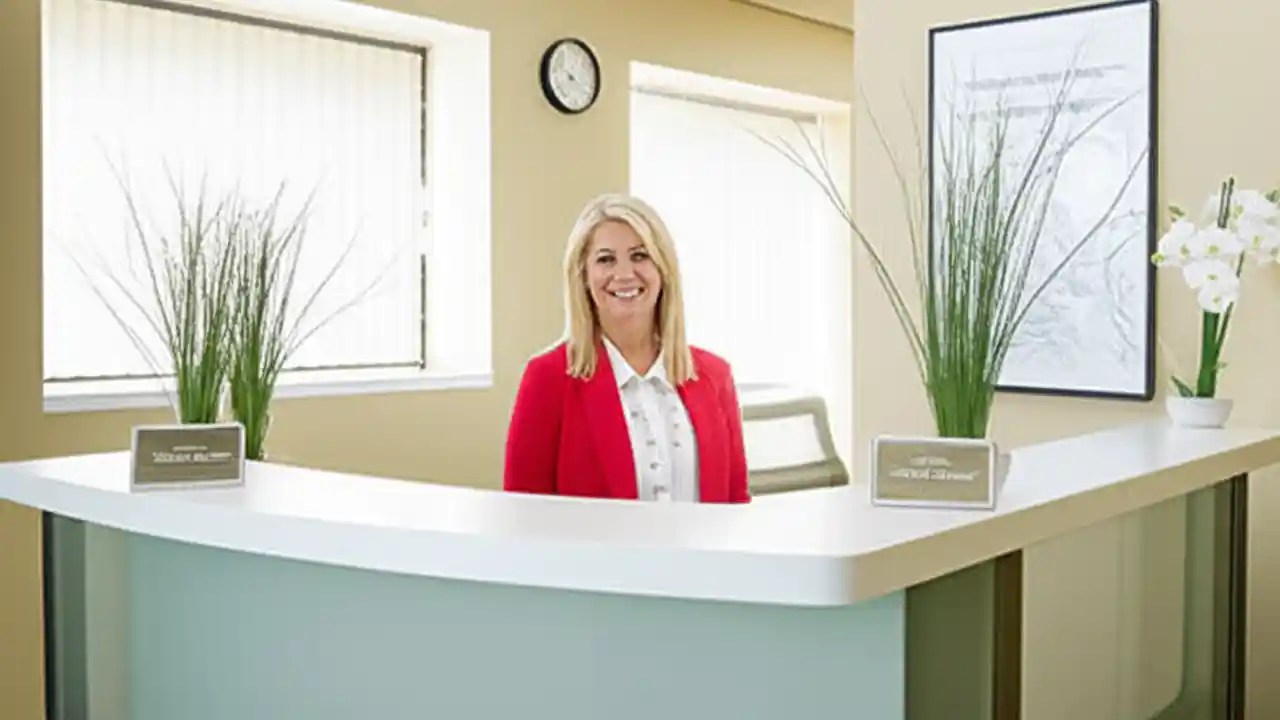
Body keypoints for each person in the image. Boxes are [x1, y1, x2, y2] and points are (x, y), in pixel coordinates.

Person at [503, 193, 750, 503]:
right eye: (606, 259)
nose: (623, 275)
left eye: (639, 256)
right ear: (583, 275)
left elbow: (736, 506)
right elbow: (523, 517)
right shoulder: (548, 379)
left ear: (663, 269)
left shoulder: (715, 375)